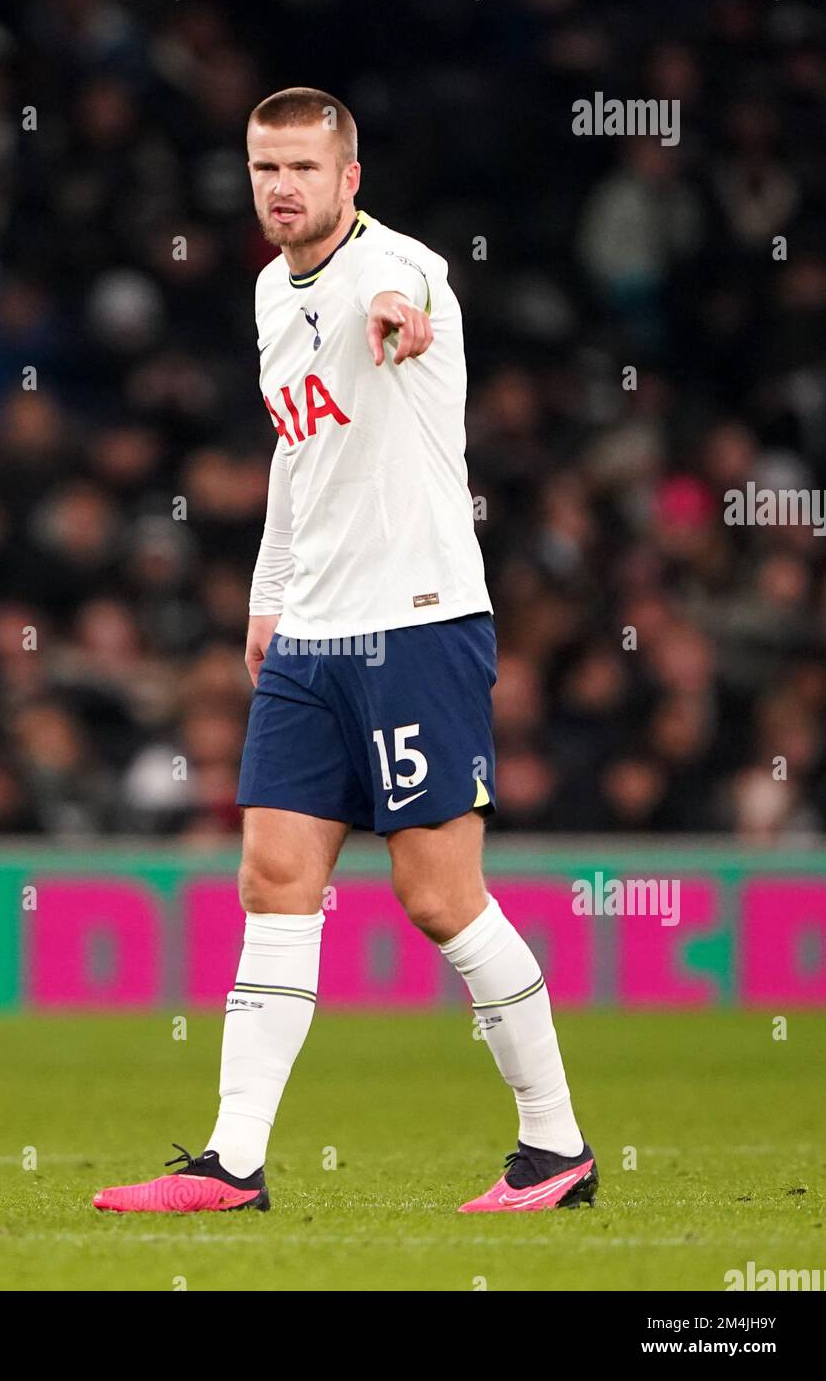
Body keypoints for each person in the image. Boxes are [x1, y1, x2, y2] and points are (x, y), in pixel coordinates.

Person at [93, 87, 596, 1216]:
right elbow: (295, 455)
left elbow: (398, 298)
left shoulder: (403, 268)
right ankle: (232, 1163)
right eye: (265, 166)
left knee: (438, 895)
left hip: (416, 622)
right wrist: (269, 598)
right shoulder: (272, 289)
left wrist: (399, 322)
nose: (281, 187)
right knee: (272, 875)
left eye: (303, 169)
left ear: (348, 178)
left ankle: (553, 1148)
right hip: (310, 635)